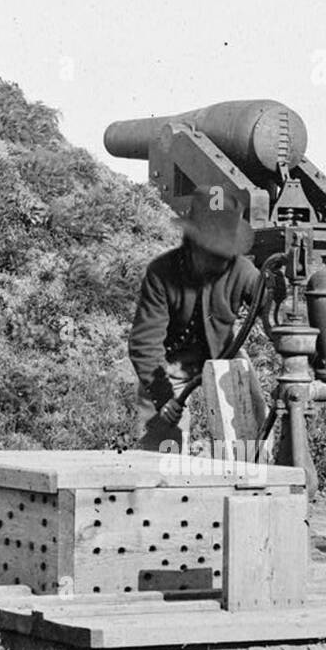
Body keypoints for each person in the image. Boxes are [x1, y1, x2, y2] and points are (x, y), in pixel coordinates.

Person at [128, 187, 260, 452]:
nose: (221, 261)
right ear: (193, 242)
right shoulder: (161, 272)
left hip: (225, 355)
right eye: (213, 251)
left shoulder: (243, 271)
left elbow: (271, 309)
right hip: (169, 363)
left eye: (226, 251)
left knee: (250, 430)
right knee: (161, 447)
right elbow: (145, 343)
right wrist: (164, 398)